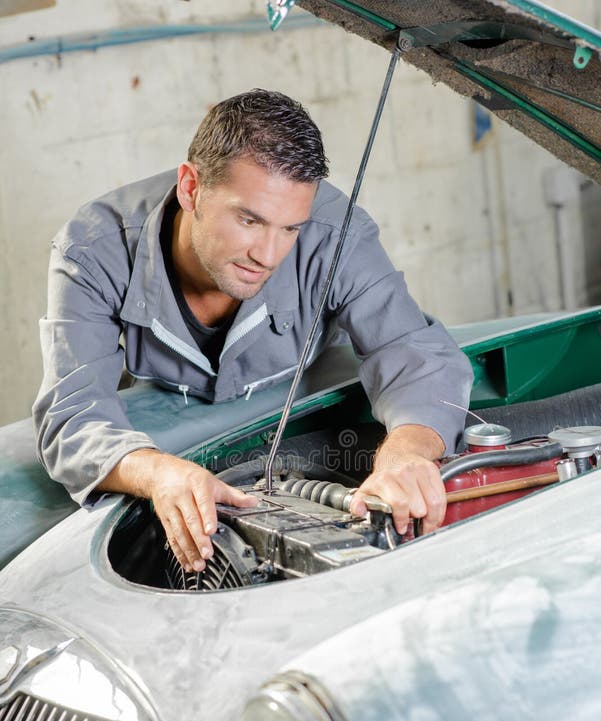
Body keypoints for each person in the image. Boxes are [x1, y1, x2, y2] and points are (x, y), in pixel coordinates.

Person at [34, 89, 473, 575]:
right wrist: (157, 471)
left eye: (289, 230)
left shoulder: (335, 232)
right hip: (164, 418)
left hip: (307, 401)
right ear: (190, 187)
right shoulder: (91, 250)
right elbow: (72, 414)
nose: (268, 254)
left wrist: (407, 455)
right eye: (249, 220)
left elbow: (410, 348)